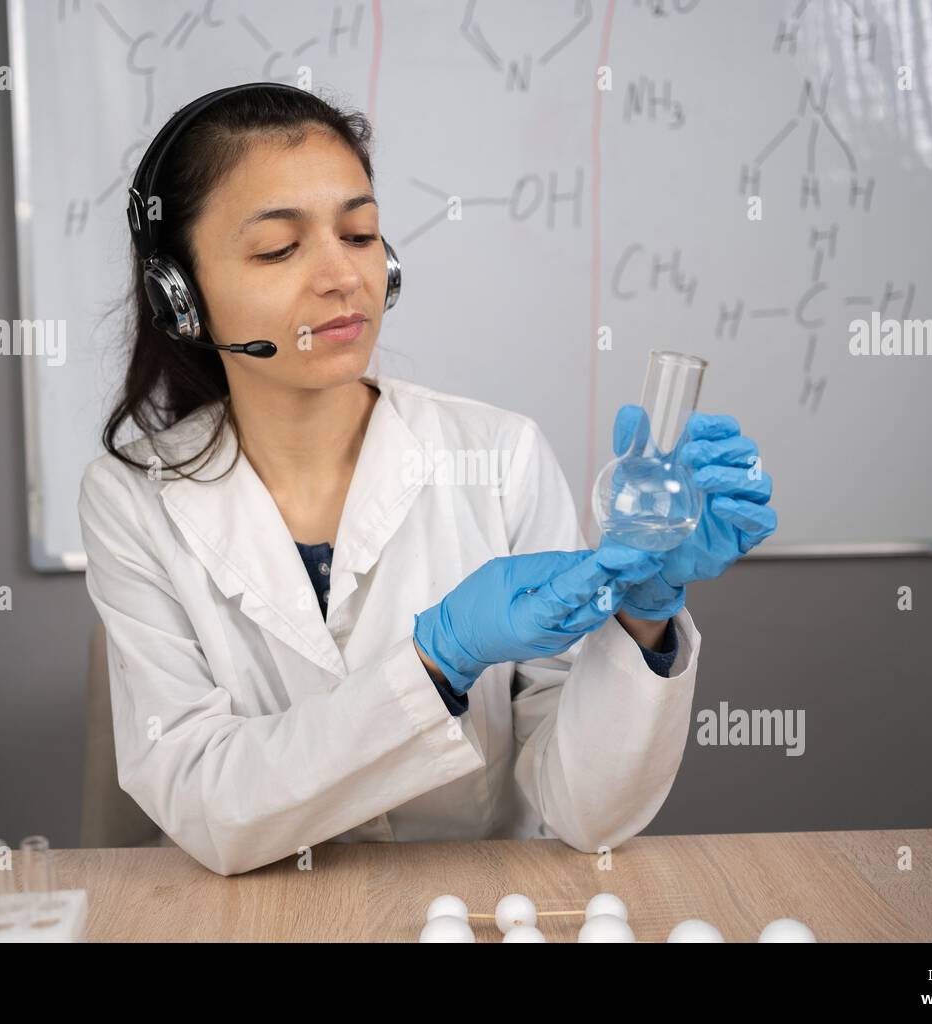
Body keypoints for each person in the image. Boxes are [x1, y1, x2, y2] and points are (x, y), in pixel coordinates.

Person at [78, 83, 776, 876]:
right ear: (182, 297)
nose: (344, 276)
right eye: (279, 248)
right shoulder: (130, 500)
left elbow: (585, 811)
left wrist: (645, 618)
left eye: (361, 232)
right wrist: (436, 662)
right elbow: (209, 803)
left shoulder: (500, 454)